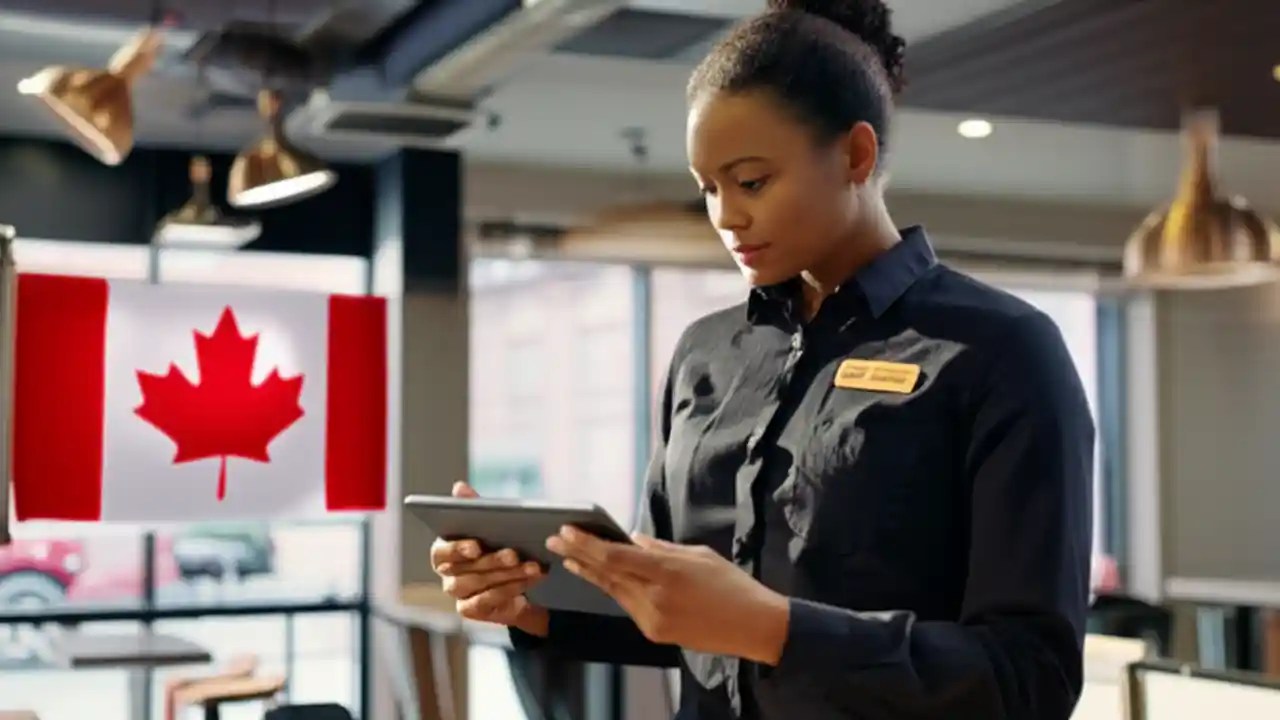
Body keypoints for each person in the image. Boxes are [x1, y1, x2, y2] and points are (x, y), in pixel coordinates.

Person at [430, 0, 1095, 718]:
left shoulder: (1001, 352)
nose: (725, 217)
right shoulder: (706, 355)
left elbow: (1032, 677)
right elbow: (667, 613)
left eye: (750, 182)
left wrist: (770, 628)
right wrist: (528, 598)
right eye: (708, 188)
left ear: (856, 155)